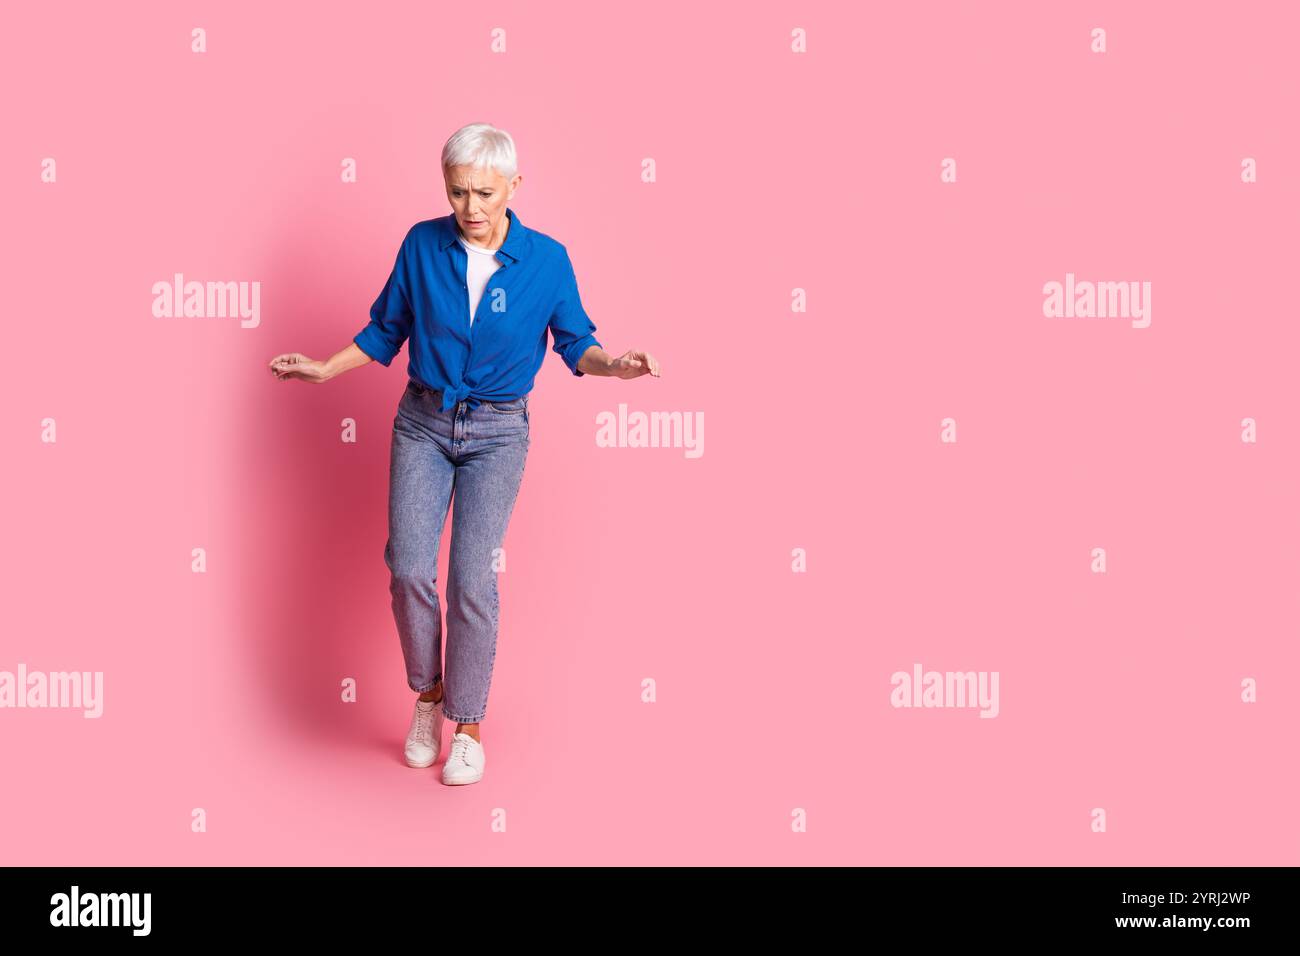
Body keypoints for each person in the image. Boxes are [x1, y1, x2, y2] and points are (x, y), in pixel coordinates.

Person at [267, 122, 661, 785]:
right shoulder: (423, 245)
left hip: (498, 434)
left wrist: (615, 366)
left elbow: (576, 343)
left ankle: (468, 723)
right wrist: (323, 369)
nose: (471, 209)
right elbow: (386, 328)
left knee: (472, 580)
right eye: (457, 192)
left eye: (484, 192)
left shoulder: (547, 260)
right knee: (409, 568)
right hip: (422, 423)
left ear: (514, 186)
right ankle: (428, 697)